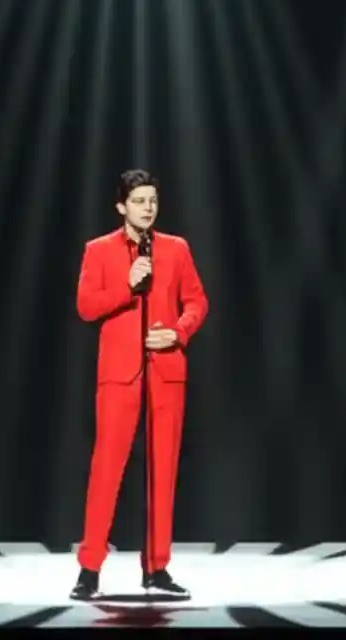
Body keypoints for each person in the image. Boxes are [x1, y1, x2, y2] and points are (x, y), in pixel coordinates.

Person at [69, 169, 209, 601]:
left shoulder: (177, 248)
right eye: (139, 201)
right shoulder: (99, 250)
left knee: (162, 472)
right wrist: (127, 288)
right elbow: (86, 306)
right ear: (121, 207)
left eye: (153, 200)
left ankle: (157, 568)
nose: (148, 207)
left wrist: (179, 332)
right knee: (106, 469)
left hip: (166, 372)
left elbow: (197, 300)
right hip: (119, 374)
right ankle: (89, 570)